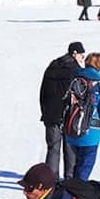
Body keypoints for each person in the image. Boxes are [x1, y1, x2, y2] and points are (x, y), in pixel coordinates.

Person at [39, 41, 86, 178]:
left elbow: (43, 92)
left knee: (53, 149)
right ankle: (69, 180)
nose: (83, 59)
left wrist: (45, 111)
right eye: (82, 56)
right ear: (75, 53)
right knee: (70, 149)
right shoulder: (75, 71)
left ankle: (51, 181)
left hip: (50, 116)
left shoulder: (52, 66)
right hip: (68, 116)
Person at [65, 52, 100, 180]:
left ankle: (70, 191)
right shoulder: (99, 84)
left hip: (71, 129)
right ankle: (76, 195)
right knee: (85, 167)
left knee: (74, 166)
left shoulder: (75, 78)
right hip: (90, 132)